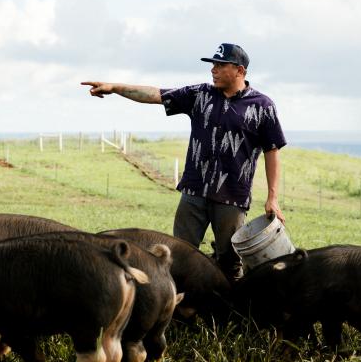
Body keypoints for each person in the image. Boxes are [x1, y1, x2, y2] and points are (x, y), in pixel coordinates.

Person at [82, 43, 286, 282]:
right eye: (213, 64)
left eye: (220, 65)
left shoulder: (262, 106)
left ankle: (229, 305)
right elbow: (155, 95)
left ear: (240, 71)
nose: (213, 70)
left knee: (229, 262)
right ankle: (180, 303)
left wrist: (272, 197)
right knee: (179, 257)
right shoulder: (200, 94)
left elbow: (272, 151)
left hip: (232, 198)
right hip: (193, 192)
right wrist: (115, 87)